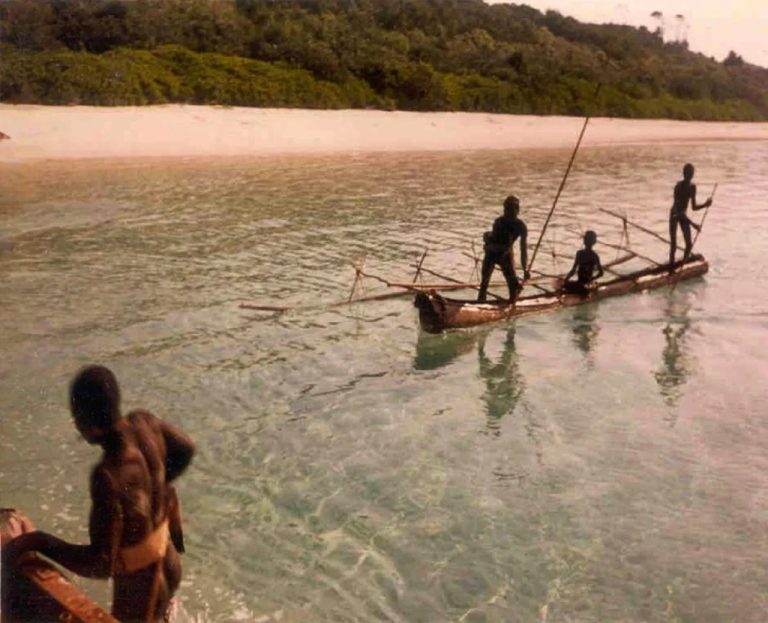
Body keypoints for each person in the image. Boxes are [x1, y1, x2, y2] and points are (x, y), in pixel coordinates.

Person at [3, 365, 195, 622]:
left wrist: (37, 541)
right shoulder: (145, 423)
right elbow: (186, 447)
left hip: (141, 592)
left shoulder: (108, 476)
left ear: (86, 424)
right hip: (168, 562)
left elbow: (100, 564)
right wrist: (158, 489)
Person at [477, 195, 530, 302]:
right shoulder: (499, 222)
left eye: (511, 210)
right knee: (484, 284)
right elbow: (495, 241)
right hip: (492, 254)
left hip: (504, 255)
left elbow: (523, 249)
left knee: (512, 287)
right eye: (506, 209)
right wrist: (487, 241)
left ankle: (512, 303)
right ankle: (481, 304)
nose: (507, 212)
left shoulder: (521, 226)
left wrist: (525, 268)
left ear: (517, 210)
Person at [669, 163, 712, 267]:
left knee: (688, 244)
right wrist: (693, 224)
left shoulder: (692, 187)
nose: (690, 175)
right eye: (688, 173)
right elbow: (677, 210)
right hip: (674, 215)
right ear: (684, 174)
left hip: (682, 215)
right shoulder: (678, 187)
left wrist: (706, 204)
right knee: (674, 245)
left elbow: (693, 207)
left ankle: (682, 266)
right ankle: (671, 269)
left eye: (691, 173)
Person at [561, 230, 604, 296]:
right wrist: (592, 279)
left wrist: (565, 281)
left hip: (584, 285)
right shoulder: (593, 255)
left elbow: (573, 271)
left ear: (584, 241)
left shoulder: (583, 254)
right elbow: (601, 273)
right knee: (575, 286)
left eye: (585, 239)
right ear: (594, 242)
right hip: (583, 284)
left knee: (573, 286)